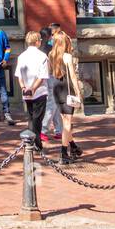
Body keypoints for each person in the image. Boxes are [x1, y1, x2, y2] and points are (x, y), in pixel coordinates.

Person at [48, 29, 84, 164]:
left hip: (57, 90)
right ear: (64, 43)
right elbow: (73, 76)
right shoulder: (67, 57)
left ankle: (73, 147)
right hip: (67, 90)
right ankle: (64, 153)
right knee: (67, 124)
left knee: (65, 122)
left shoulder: (51, 55)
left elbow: (50, 73)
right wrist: (78, 91)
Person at [15, 30, 50, 149]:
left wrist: (24, 88)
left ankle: (32, 141)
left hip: (27, 92)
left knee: (31, 117)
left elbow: (19, 76)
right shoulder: (42, 56)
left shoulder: (21, 56)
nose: (40, 42)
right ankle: (36, 142)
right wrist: (33, 88)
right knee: (37, 119)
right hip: (39, 92)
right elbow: (42, 76)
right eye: (40, 40)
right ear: (37, 42)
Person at [40, 23, 64, 141]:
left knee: (54, 102)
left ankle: (59, 129)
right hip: (51, 76)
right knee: (52, 103)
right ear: (50, 36)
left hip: (45, 77)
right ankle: (43, 129)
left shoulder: (40, 47)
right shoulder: (51, 47)